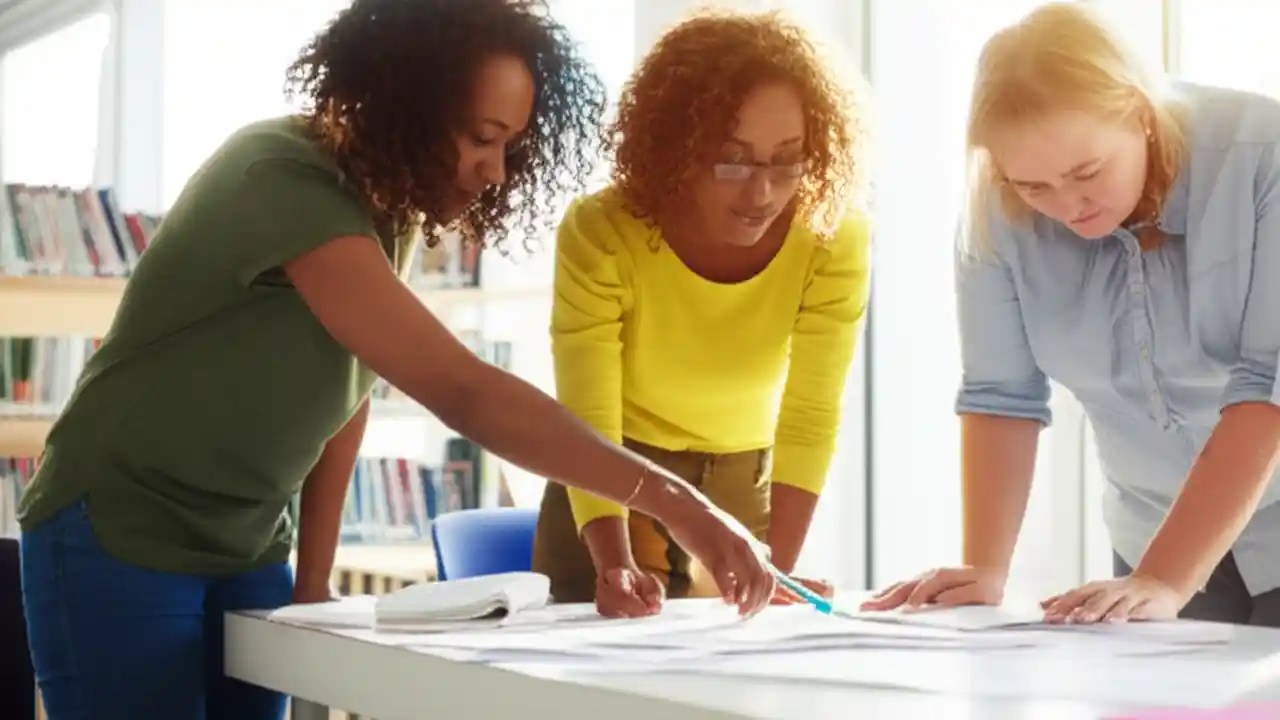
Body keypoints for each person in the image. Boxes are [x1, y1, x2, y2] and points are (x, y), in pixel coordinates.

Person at [17, 2, 776, 718]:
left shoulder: (390, 211)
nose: (496, 171)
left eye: (510, 144)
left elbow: (346, 393)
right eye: (481, 136)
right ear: (402, 104)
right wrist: (685, 505)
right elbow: (463, 392)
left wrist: (313, 580)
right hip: (117, 527)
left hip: (248, 541)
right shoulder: (281, 175)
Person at [863, 1, 1280, 627]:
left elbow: (1268, 386)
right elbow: (1001, 394)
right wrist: (985, 570)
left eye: (1086, 172)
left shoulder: (1262, 157)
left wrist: (1166, 579)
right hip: (1150, 529)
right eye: (1033, 186)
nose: (1066, 206)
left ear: (1141, 114)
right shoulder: (996, 211)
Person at [530, 9, 870, 618]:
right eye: (732, 161)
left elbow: (810, 415)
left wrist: (780, 571)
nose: (761, 193)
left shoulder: (832, 239)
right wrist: (613, 562)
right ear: (676, 151)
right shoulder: (603, 231)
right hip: (613, 477)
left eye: (787, 161)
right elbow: (589, 417)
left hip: (744, 479)